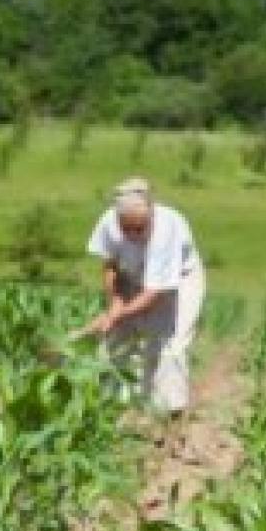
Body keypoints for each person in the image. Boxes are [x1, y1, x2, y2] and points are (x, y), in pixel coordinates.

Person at [79, 177, 205, 415]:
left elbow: (154, 292)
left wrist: (117, 315)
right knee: (116, 339)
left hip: (177, 281)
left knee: (168, 343)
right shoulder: (109, 222)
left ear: (151, 213)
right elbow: (110, 266)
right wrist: (115, 303)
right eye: (126, 228)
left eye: (139, 229)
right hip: (133, 275)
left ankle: (169, 412)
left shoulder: (167, 230)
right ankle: (114, 405)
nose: (133, 235)